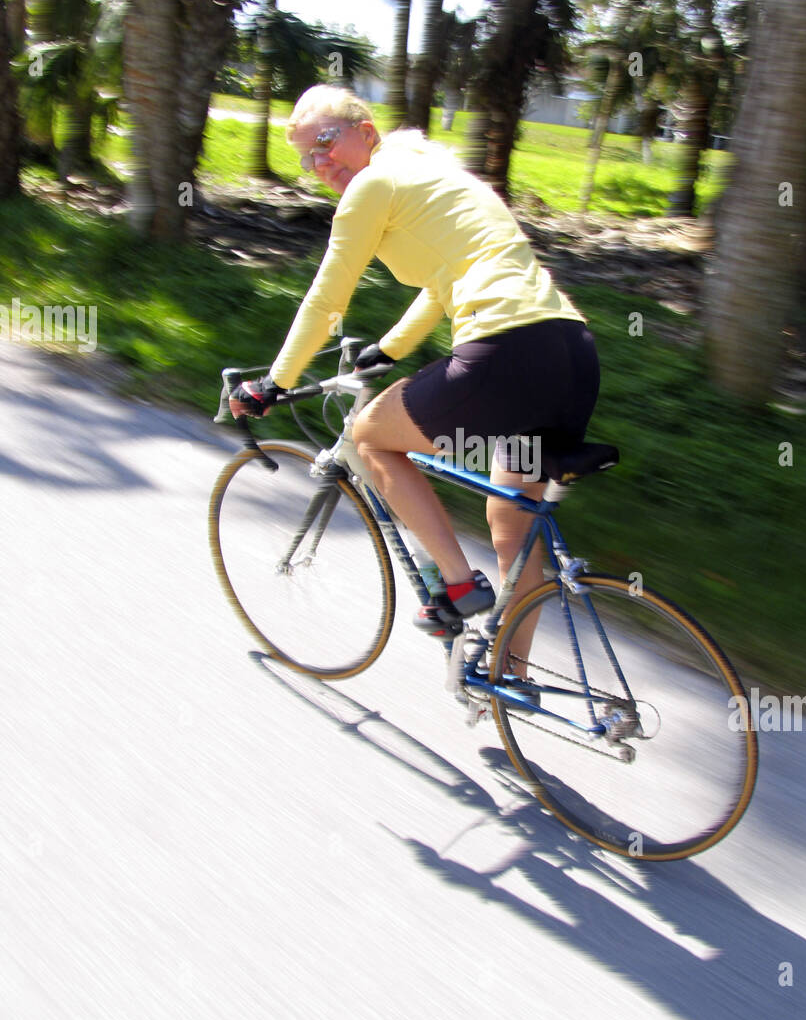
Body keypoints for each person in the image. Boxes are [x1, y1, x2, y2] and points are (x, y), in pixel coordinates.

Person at [231, 85, 600, 636]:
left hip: (507, 351)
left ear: (367, 133)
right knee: (512, 525)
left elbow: (327, 299)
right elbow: (442, 282)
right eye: (307, 156)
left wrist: (274, 382)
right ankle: (509, 683)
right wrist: (390, 348)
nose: (319, 161)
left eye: (327, 141)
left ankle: (457, 586)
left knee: (371, 437)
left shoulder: (372, 185)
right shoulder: (439, 177)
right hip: (571, 353)